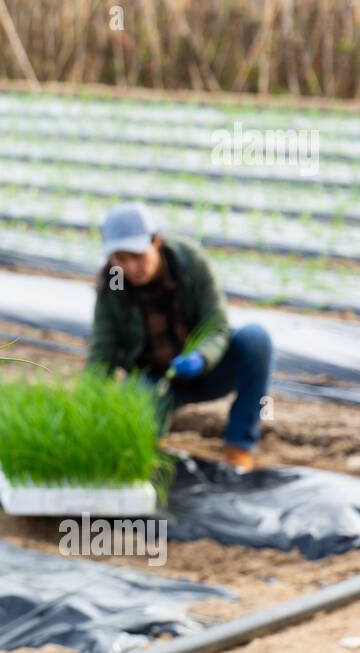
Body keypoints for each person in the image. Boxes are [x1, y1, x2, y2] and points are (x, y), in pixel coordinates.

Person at [86, 202, 273, 472]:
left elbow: (217, 325)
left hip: (205, 369)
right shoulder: (113, 284)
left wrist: (201, 357)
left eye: (138, 256)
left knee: (256, 339)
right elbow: (102, 353)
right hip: (155, 383)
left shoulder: (189, 263)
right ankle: (147, 447)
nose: (132, 267)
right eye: (121, 259)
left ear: (156, 241)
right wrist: (85, 404)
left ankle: (239, 447)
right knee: (136, 424)